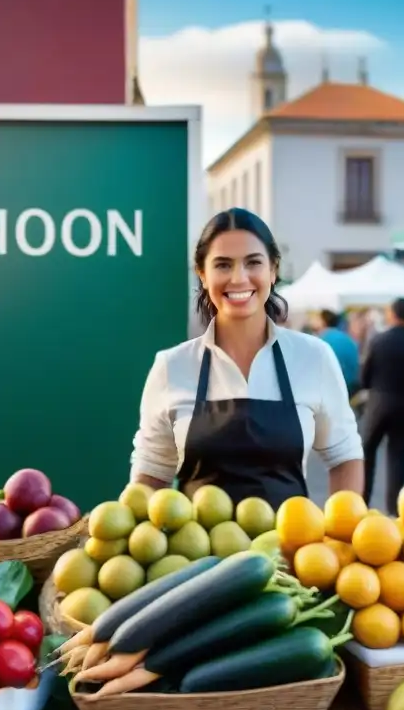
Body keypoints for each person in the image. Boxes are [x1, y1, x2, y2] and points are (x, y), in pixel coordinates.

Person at [129, 208, 364, 508]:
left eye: (253, 262)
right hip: (194, 555)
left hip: (289, 553)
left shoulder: (314, 357)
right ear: (202, 274)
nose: (239, 278)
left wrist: (340, 536)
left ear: (273, 269)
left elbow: (344, 456)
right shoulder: (171, 367)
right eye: (223, 265)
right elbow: (151, 471)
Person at [359, 298, 404, 514]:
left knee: (367, 452)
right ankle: (395, 510)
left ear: (391, 314)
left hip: (378, 404)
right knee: (398, 456)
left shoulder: (378, 340)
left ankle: (362, 503)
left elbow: (364, 377)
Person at [315, 310, 361, 396]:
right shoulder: (348, 339)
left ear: (323, 322)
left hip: (333, 390)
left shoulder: (322, 341)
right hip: (352, 388)